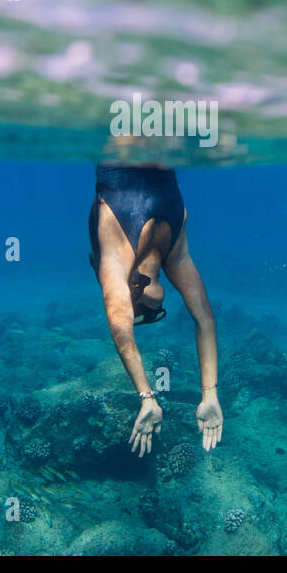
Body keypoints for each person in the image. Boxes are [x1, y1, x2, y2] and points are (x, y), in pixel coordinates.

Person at [88, 162, 222, 457]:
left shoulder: (116, 256)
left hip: (117, 160)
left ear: (130, 292)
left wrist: (147, 397)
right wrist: (209, 394)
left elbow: (119, 326)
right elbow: (206, 321)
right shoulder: (175, 255)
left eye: (145, 313)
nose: (156, 311)